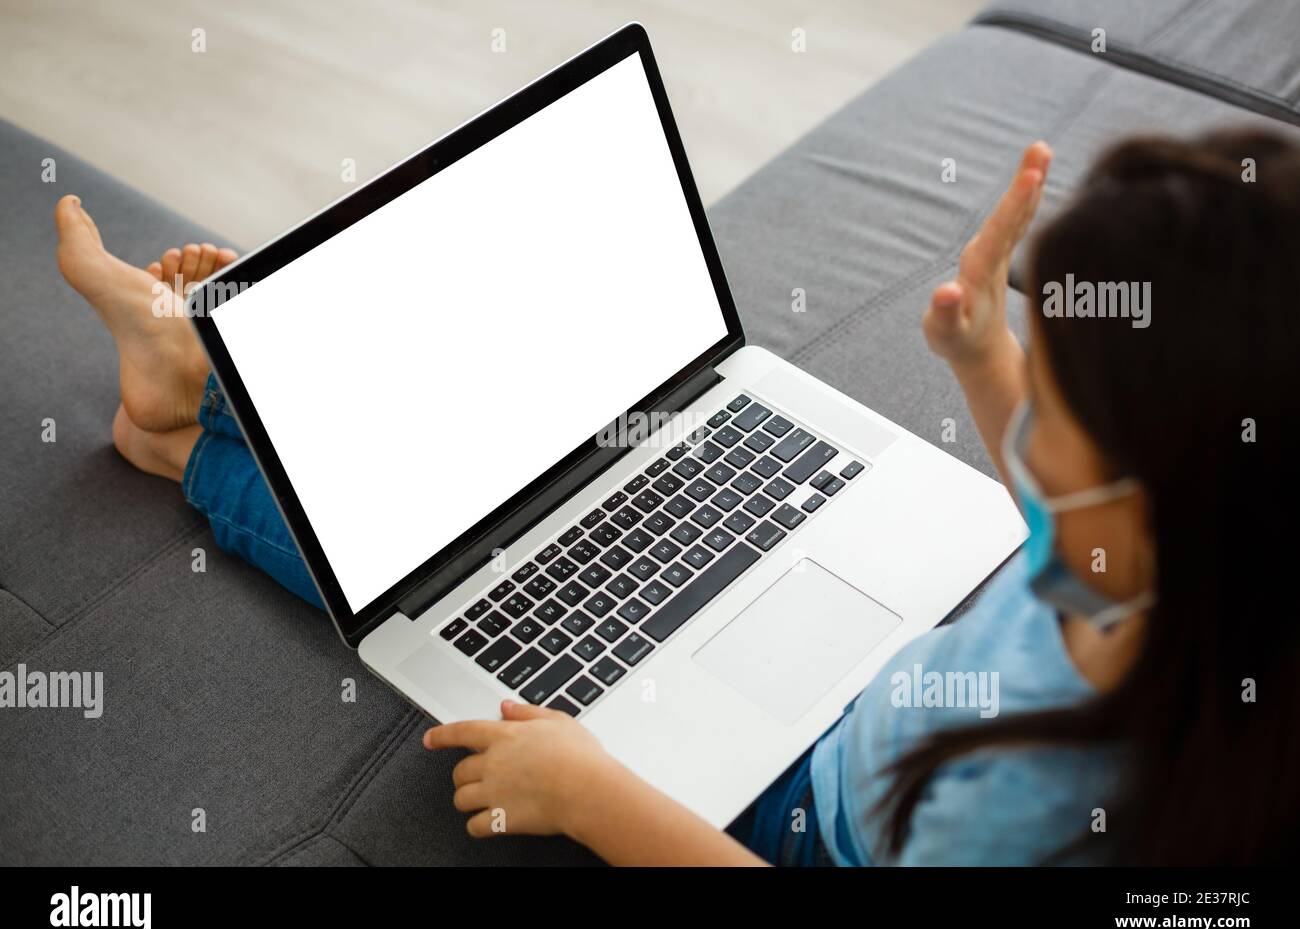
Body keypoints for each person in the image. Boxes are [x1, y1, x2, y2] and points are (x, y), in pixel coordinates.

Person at [56, 128, 1298, 865]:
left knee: (439, 573)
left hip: (806, 813)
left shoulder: (1053, 811)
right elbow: (1059, 506)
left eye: (1058, 404)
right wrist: (983, 357)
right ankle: (222, 388)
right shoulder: (1183, 554)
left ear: (1150, 501)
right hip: (883, 679)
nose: (1030, 418)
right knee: (574, 469)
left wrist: (592, 799)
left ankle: (181, 438)